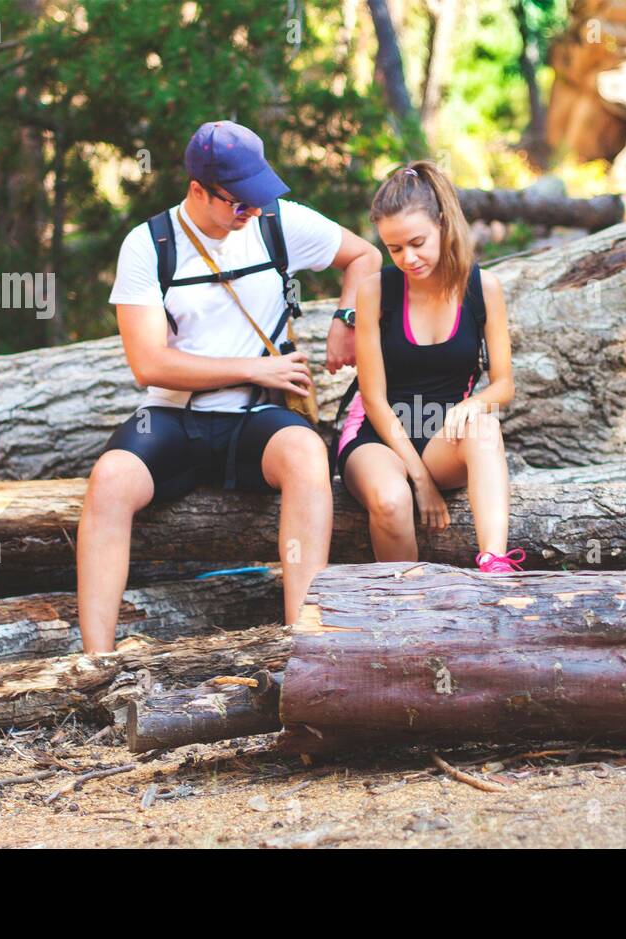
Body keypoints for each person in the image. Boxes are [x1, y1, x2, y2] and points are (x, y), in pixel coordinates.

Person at [78, 120, 380, 652]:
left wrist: (346, 318)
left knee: (309, 455)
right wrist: (252, 367)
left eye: (258, 197)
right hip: (172, 417)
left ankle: (303, 644)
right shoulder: (150, 245)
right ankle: (96, 662)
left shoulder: (275, 224)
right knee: (109, 479)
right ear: (198, 190)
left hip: (256, 416)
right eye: (238, 203)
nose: (253, 211)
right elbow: (148, 365)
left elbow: (366, 256)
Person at [335, 161, 523, 572]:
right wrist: (419, 481)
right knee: (391, 498)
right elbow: (374, 400)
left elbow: (504, 384)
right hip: (378, 435)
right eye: (394, 248)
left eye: (417, 242)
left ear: (442, 222)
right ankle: (407, 606)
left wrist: (472, 405)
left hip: (444, 433)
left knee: (486, 424)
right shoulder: (375, 292)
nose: (408, 258)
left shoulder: (482, 288)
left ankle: (494, 564)